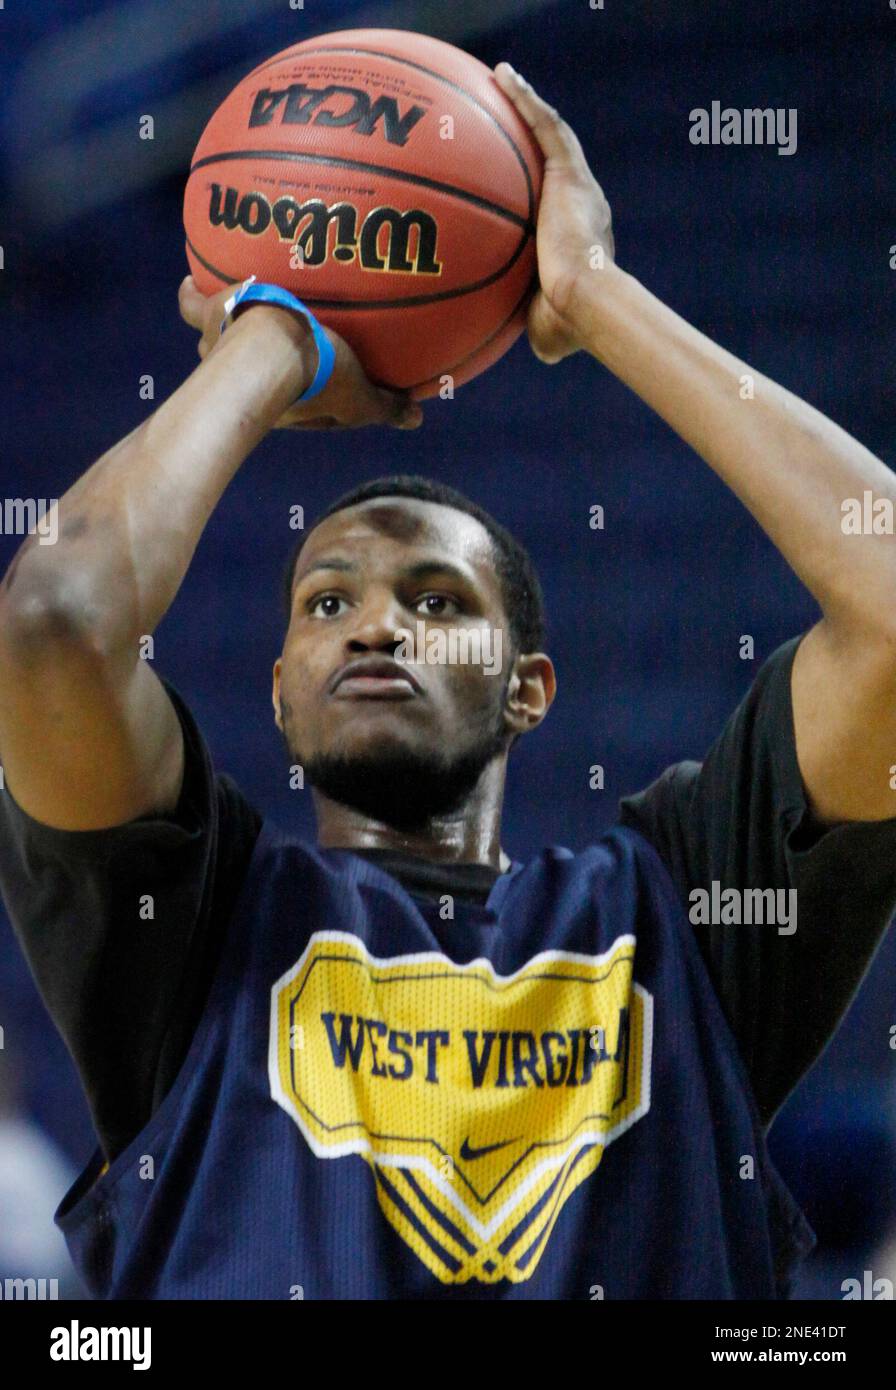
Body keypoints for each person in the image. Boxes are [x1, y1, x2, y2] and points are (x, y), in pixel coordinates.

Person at [1, 62, 894, 1300]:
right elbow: (54, 622)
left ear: (528, 688)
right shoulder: (190, 936)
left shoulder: (678, 922)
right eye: (327, 602)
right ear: (275, 689)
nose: (375, 628)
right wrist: (272, 337)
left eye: (434, 601)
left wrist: (595, 295)